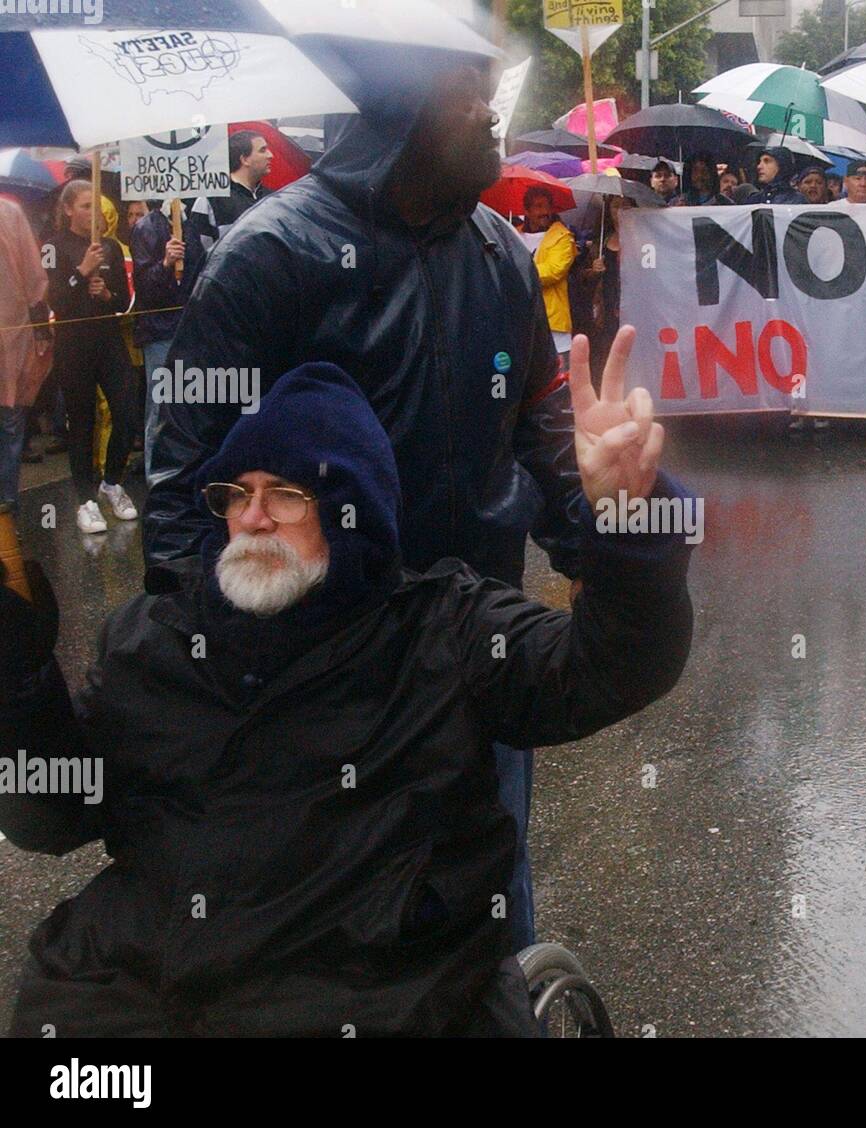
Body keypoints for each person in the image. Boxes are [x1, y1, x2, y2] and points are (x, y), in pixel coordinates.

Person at [0, 338, 695, 1037]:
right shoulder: (151, 637)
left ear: (350, 512)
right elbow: (49, 817)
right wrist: (17, 676)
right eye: (236, 492)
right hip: (131, 998)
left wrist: (628, 519)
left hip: (368, 997)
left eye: (287, 494)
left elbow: (610, 667)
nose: (253, 515)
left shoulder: (443, 630)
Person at [146, 47, 591, 958]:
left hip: (476, 650)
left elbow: (549, 445)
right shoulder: (270, 254)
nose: (491, 111)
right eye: (470, 88)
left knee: (487, 918)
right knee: (333, 943)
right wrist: (230, 663)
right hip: (322, 675)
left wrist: (617, 543)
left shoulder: (500, 254)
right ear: (402, 101)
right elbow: (180, 487)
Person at [45, 180, 138, 534]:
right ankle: (86, 499)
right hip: (73, 344)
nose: (92, 213)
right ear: (68, 209)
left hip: (108, 340)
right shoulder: (53, 246)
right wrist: (81, 272)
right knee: (82, 422)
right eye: (85, 206)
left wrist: (107, 294)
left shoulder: (111, 247)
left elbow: (123, 301)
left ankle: (112, 482)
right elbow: (55, 300)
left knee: (127, 412)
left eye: (95, 206)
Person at [130, 201, 196, 480]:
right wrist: (167, 263)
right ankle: (155, 479)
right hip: (159, 332)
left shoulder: (193, 224)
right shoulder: (145, 227)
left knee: (188, 404)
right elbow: (144, 288)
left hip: (189, 327)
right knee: (159, 408)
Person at [0, 197, 52, 508]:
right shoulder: (10, 213)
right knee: (9, 423)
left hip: (11, 337)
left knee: (10, 422)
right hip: (10, 340)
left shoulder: (9, 213)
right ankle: (6, 510)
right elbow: (35, 280)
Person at [187, 129, 273, 264]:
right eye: (263, 150)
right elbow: (199, 255)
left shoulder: (273, 199)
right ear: (244, 159)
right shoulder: (211, 199)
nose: (270, 155)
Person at [573, 195, 633, 378]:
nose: (620, 211)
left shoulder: (641, 239)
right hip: (605, 307)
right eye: (616, 207)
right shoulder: (601, 242)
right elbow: (583, 278)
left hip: (632, 306)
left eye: (625, 206)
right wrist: (594, 270)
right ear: (609, 211)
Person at [519, 185, 577, 367]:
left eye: (547, 206)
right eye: (537, 206)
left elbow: (553, 271)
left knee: (558, 383)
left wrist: (517, 271)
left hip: (554, 325)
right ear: (527, 211)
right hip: (523, 322)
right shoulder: (513, 234)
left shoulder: (563, 237)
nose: (544, 212)